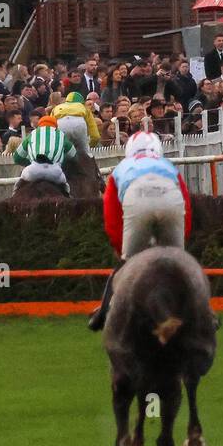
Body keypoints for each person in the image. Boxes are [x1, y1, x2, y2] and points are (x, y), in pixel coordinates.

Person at [87, 129, 193, 332]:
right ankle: (204, 312)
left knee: (127, 265)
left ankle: (103, 313)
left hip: (137, 200)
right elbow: (186, 208)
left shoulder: (121, 169)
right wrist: (180, 247)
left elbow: (112, 217)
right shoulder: (168, 166)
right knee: (177, 264)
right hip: (171, 199)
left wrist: (121, 250)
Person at [12, 115, 76, 195]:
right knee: (66, 189)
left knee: (18, 186)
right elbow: (73, 155)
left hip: (33, 171)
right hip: (55, 172)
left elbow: (17, 157)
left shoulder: (32, 134)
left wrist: (30, 162)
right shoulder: (61, 134)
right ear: (56, 126)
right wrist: (62, 161)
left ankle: (13, 200)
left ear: (39, 125)